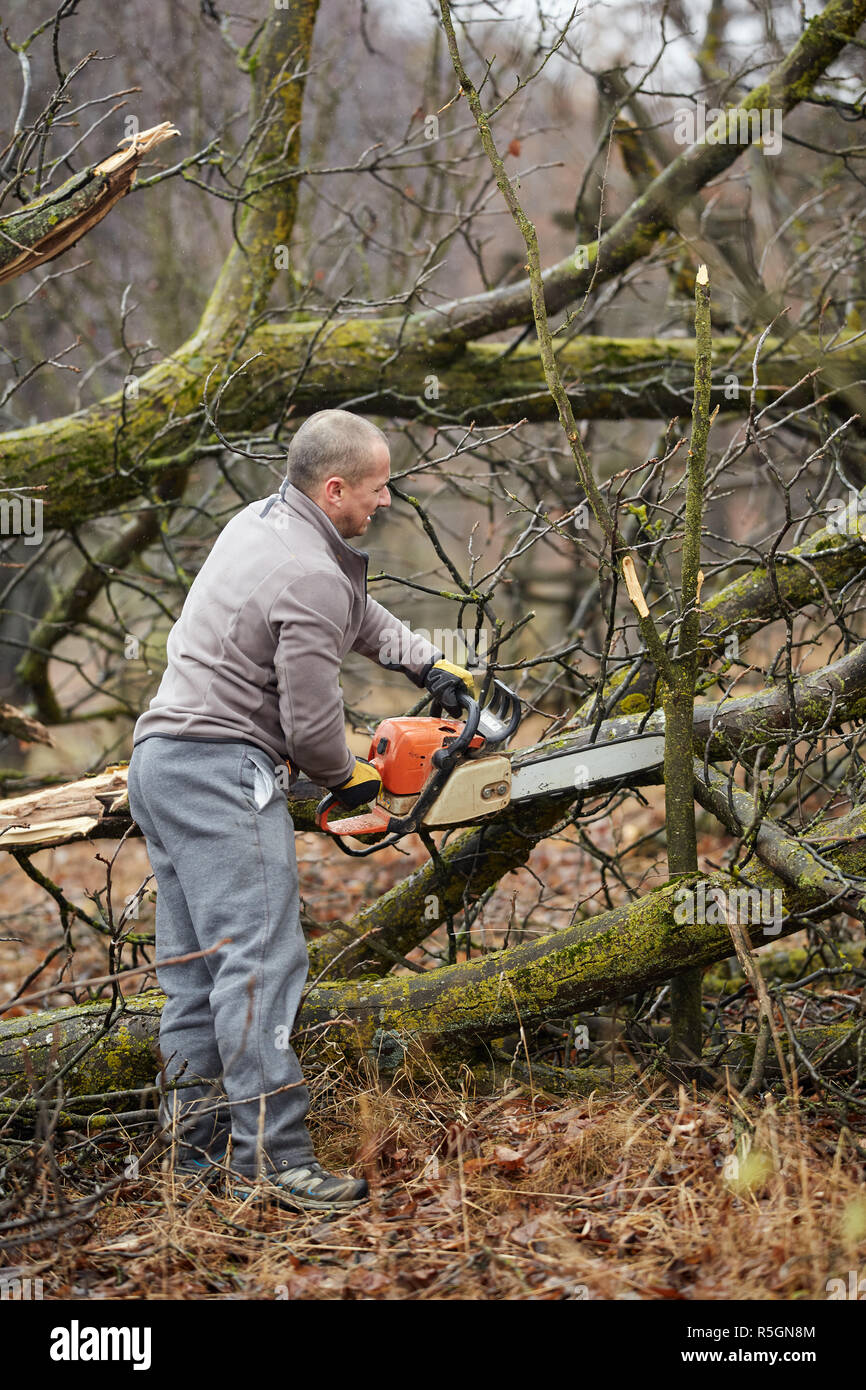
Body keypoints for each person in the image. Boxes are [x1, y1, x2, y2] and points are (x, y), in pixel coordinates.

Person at [126, 409, 477, 1212]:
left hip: (162, 762)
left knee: (195, 977)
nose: (386, 500)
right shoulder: (311, 572)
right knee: (259, 965)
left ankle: (200, 1163)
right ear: (335, 486)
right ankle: (275, 1161)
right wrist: (345, 778)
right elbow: (313, 721)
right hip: (222, 771)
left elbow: (347, 614)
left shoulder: (265, 522)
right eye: (378, 487)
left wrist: (429, 666)